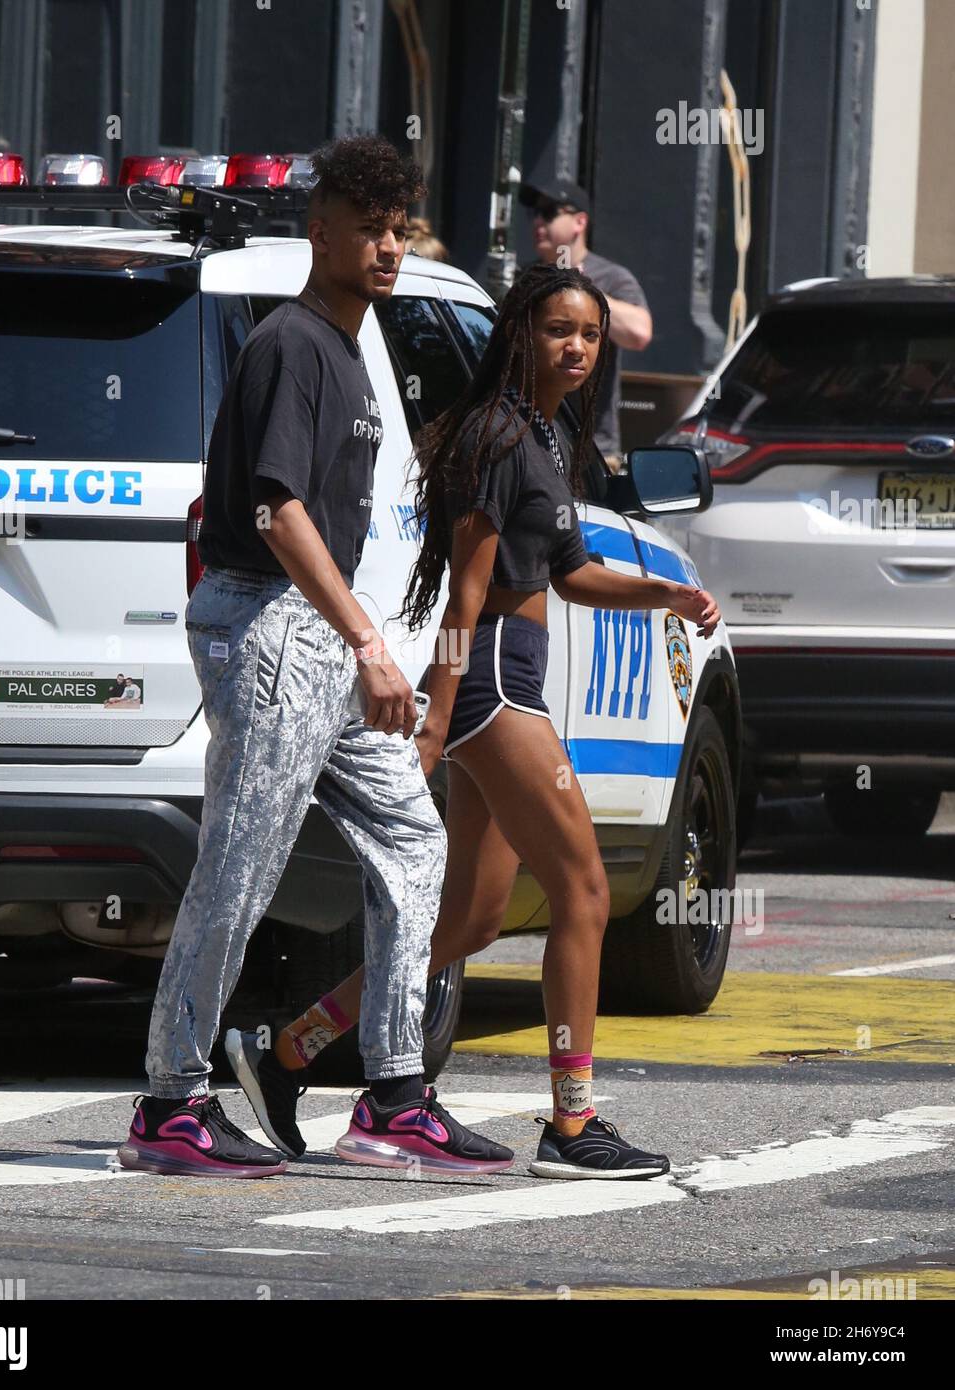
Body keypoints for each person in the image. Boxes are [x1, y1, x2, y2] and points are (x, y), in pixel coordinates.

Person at [233, 261, 720, 1179]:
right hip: (491, 685)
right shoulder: (496, 438)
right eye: (556, 331)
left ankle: (287, 1050)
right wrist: (437, 722)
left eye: (588, 335)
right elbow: (463, 600)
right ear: (518, 336)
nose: (576, 348)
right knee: (581, 892)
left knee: (467, 920)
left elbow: (569, 572)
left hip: (506, 688)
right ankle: (572, 1126)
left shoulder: (541, 433)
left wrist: (660, 590)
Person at [117, 135, 511, 1180]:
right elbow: (276, 510)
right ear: (319, 230)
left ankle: (391, 1096)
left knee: (413, 840)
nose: (385, 247)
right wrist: (371, 644)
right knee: (240, 864)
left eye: (398, 229)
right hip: (272, 628)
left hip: (318, 639)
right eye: (368, 228)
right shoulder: (291, 343)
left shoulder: (349, 348)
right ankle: (169, 1105)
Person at [519, 177, 652, 473]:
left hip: (591, 451)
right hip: (526, 438)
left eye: (550, 212)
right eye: (535, 213)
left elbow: (639, 334)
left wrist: (584, 291)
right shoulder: (524, 277)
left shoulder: (612, 278)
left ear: (579, 222)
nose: (539, 221)